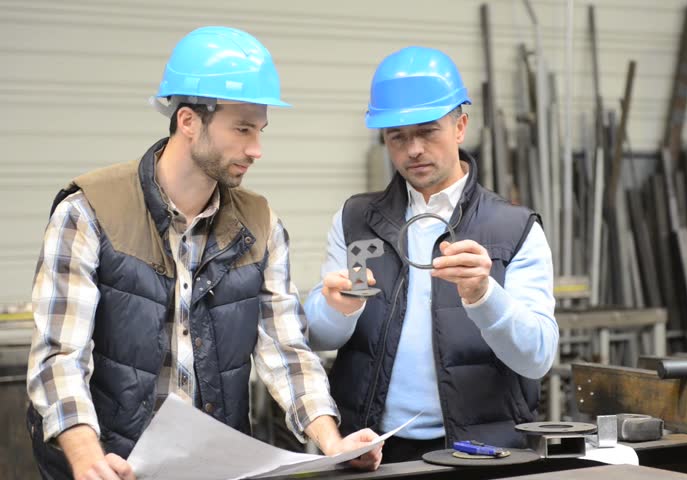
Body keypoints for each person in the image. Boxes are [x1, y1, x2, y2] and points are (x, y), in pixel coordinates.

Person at [25, 26, 381, 480]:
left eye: (261, 130)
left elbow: (286, 350)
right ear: (189, 121)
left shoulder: (261, 225)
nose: (257, 149)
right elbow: (59, 358)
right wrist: (87, 460)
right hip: (112, 464)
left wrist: (333, 442)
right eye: (242, 129)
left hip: (213, 467)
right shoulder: (88, 213)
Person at [303, 46, 558, 463]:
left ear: (460, 126)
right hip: (373, 450)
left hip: (478, 451)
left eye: (427, 131)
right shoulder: (355, 220)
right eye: (397, 137)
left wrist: (484, 296)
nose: (414, 149)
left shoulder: (513, 229)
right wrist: (336, 309)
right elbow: (317, 336)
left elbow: (538, 358)